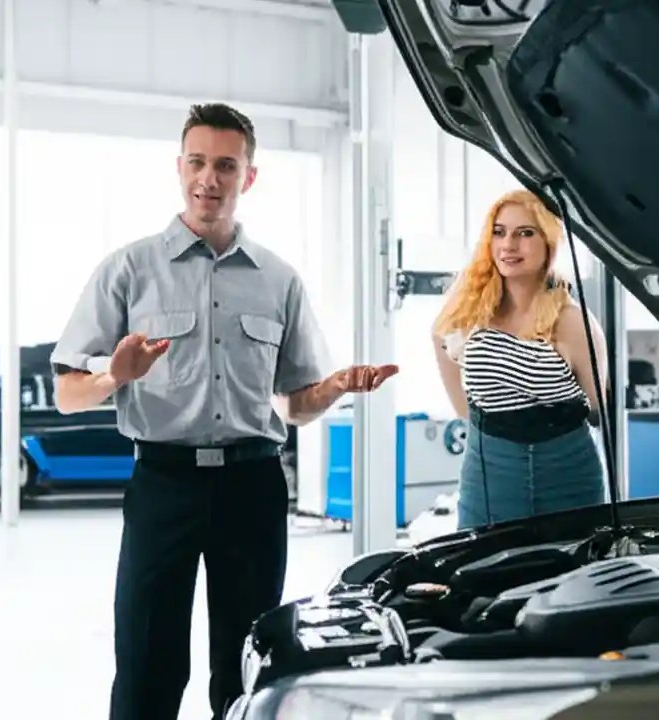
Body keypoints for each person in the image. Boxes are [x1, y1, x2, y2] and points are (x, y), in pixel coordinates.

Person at [54, 102, 399, 720]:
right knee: (147, 661)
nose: (207, 179)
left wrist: (336, 386)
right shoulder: (129, 270)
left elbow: (294, 404)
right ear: (178, 167)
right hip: (164, 485)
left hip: (253, 486)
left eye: (225, 165)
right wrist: (115, 374)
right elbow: (67, 391)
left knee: (247, 661)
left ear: (249, 176)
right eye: (196, 162)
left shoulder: (279, 280)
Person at [431, 189, 608, 530]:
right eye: (499, 232)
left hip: (567, 469)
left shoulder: (573, 321)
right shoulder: (473, 308)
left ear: (549, 241)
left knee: (571, 575)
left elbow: (602, 407)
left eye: (525, 233)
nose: (508, 245)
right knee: (484, 575)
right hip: (489, 470)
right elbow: (439, 336)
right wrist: (473, 419)